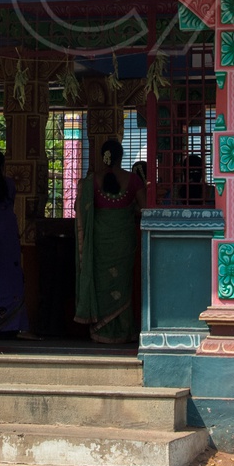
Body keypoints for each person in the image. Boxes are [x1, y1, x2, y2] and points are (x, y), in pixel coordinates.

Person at [75, 138, 144, 344]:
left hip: (99, 244)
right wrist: (131, 209)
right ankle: (124, 331)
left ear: (103, 157)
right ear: (121, 157)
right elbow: (148, 208)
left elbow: (81, 211)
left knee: (102, 283)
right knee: (121, 284)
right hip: (123, 242)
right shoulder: (133, 181)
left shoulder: (91, 182)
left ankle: (101, 329)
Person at [0, 149, 34, 339]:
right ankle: (13, 323)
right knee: (11, 277)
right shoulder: (9, 184)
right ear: (1, 166)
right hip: (7, 236)